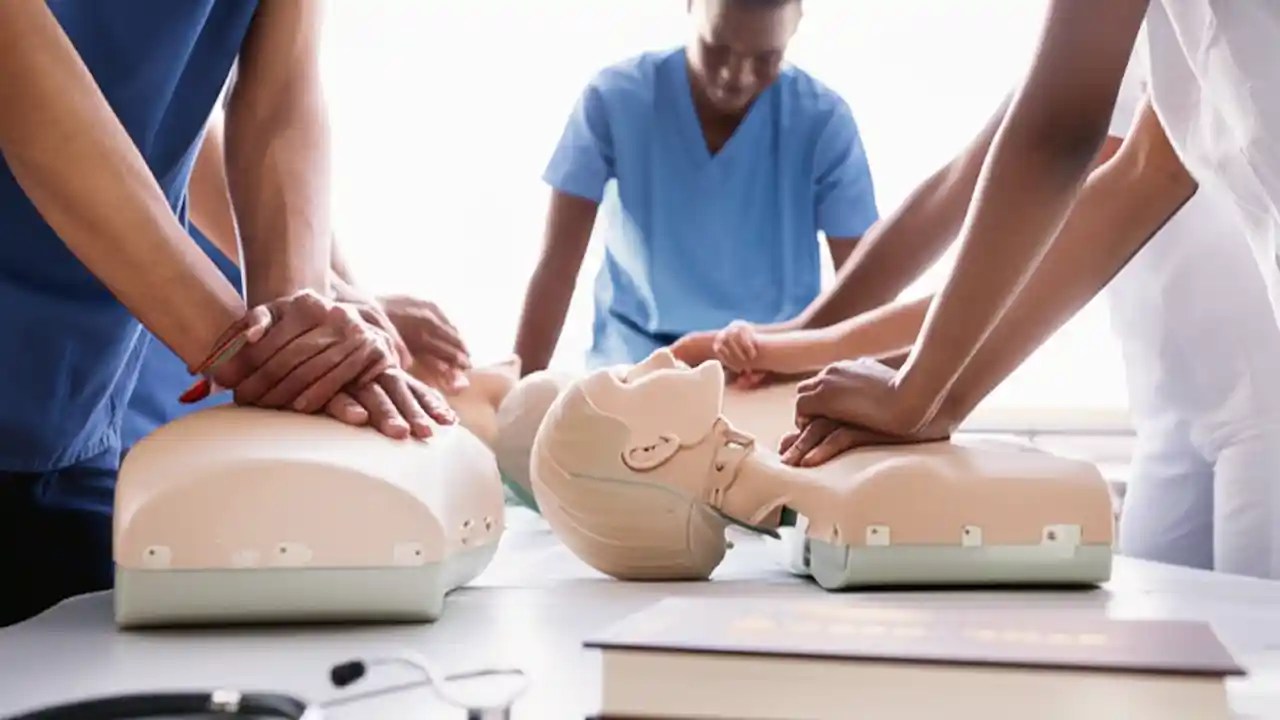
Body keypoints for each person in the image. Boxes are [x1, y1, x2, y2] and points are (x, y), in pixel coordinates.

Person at [682, 42, 1280, 579]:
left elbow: (1050, 232)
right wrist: (802, 339)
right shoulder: (1134, 47)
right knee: (1162, 681)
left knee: (1259, 668)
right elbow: (971, 193)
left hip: (1262, 417)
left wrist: (910, 385)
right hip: (1172, 417)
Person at [0, 2, 450, 627]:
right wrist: (244, 344)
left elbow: (281, 86)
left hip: (74, 408)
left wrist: (299, 319)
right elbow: (18, 74)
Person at [512, 0, 879, 373]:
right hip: (634, 363)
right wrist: (518, 392)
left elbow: (866, 285)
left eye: (766, 58)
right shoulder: (615, 99)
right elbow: (557, 268)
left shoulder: (823, 122)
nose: (735, 77)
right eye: (717, 49)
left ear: (796, 24)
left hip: (773, 365)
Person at [121, 110, 474, 454]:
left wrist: (340, 304)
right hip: (133, 275)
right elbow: (153, 106)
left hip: (230, 265)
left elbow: (278, 103)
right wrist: (269, 341)